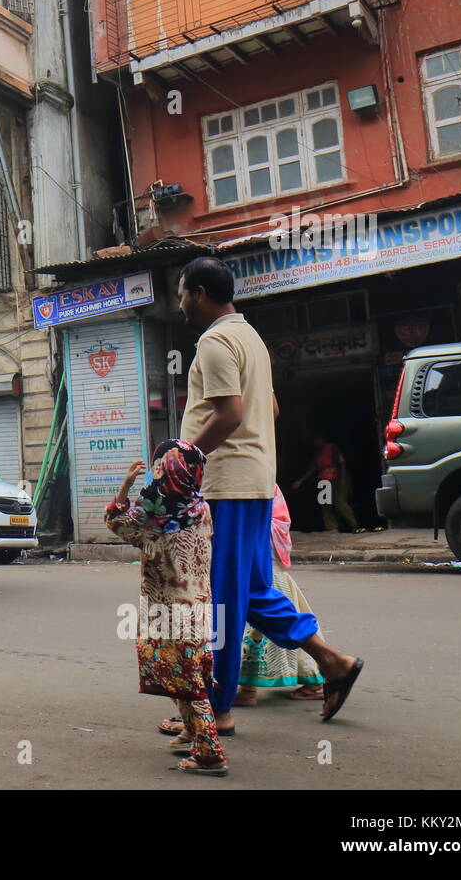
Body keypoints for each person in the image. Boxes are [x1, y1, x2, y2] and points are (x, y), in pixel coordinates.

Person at [163, 257, 363, 736]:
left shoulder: (214, 341)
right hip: (252, 482)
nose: (180, 302)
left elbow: (230, 413)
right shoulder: (250, 337)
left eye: (182, 292)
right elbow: (266, 407)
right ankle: (333, 662)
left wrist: (186, 456)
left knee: (222, 602)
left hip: (226, 487)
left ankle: (216, 712)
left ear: (201, 292)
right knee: (252, 590)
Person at [105, 442, 228, 776]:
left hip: (170, 612)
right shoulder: (198, 508)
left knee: (188, 682)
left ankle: (209, 753)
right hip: (199, 606)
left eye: (160, 466)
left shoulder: (155, 519)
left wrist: (126, 486)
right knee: (190, 675)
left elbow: (114, 521)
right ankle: (190, 730)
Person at [235, 485, 325, 704]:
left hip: (260, 550)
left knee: (265, 616)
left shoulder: (241, 478)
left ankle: (247, 689)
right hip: (262, 549)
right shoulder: (253, 472)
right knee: (276, 612)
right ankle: (317, 674)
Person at [291, 432, 372, 533]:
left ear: (322, 440)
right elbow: (312, 469)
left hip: (336, 479)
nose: (315, 443)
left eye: (317, 440)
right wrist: (300, 481)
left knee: (340, 503)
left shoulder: (332, 448)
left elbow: (342, 462)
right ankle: (332, 527)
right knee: (326, 505)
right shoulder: (317, 454)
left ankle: (354, 525)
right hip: (324, 481)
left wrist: (342, 479)